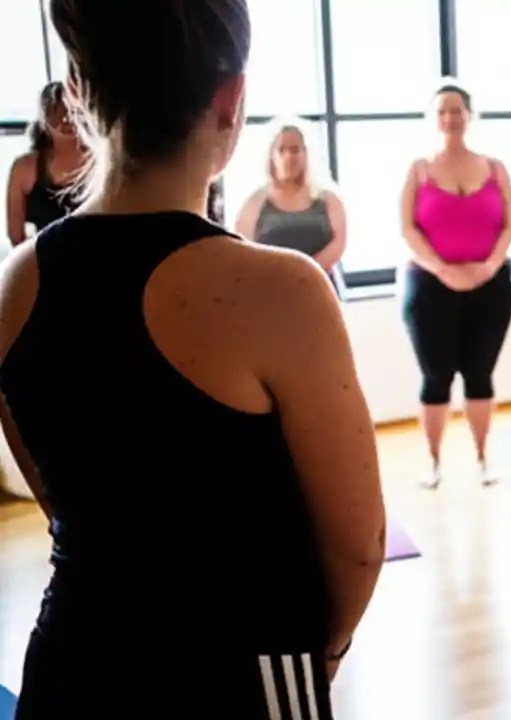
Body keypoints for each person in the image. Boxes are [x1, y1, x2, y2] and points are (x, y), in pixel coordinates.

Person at [0, 2, 385, 717]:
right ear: (231, 100)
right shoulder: (283, 291)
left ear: (77, 92)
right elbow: (359, 548)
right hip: (242, 669)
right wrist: (321, 652)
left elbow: (61, 498)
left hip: (72, 665)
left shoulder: (15, 283)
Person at [399, 82, 511, 489]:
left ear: (469, 115)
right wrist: (441, 270)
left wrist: (489, 266)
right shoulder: (418, 170)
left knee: (480, 373)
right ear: (434, 118)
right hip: (430, 288)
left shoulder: (495, 168)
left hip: (491, 286)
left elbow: (509, 225)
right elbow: (407, 230)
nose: (450, 118)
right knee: (436, 377)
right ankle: (432, 461)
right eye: (443, 111)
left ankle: (483, 457)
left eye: (457, 110)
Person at [234, 119, 348, 287]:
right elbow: (242, 248)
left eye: (295, 150)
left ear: (306, 154)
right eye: (282, 150)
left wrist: (306, 272)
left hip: (320, 289)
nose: (288, 157)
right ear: (272, 156)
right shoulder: (255, 202)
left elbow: (339, 242)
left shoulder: (328, 198)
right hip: (270, 289)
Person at [5, 81, 86, 246]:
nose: (66, 118)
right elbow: (16, 236)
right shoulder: (24, 168)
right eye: (56, 111)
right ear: (43, 118)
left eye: (73, 111)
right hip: (48, 265)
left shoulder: (104, 162)